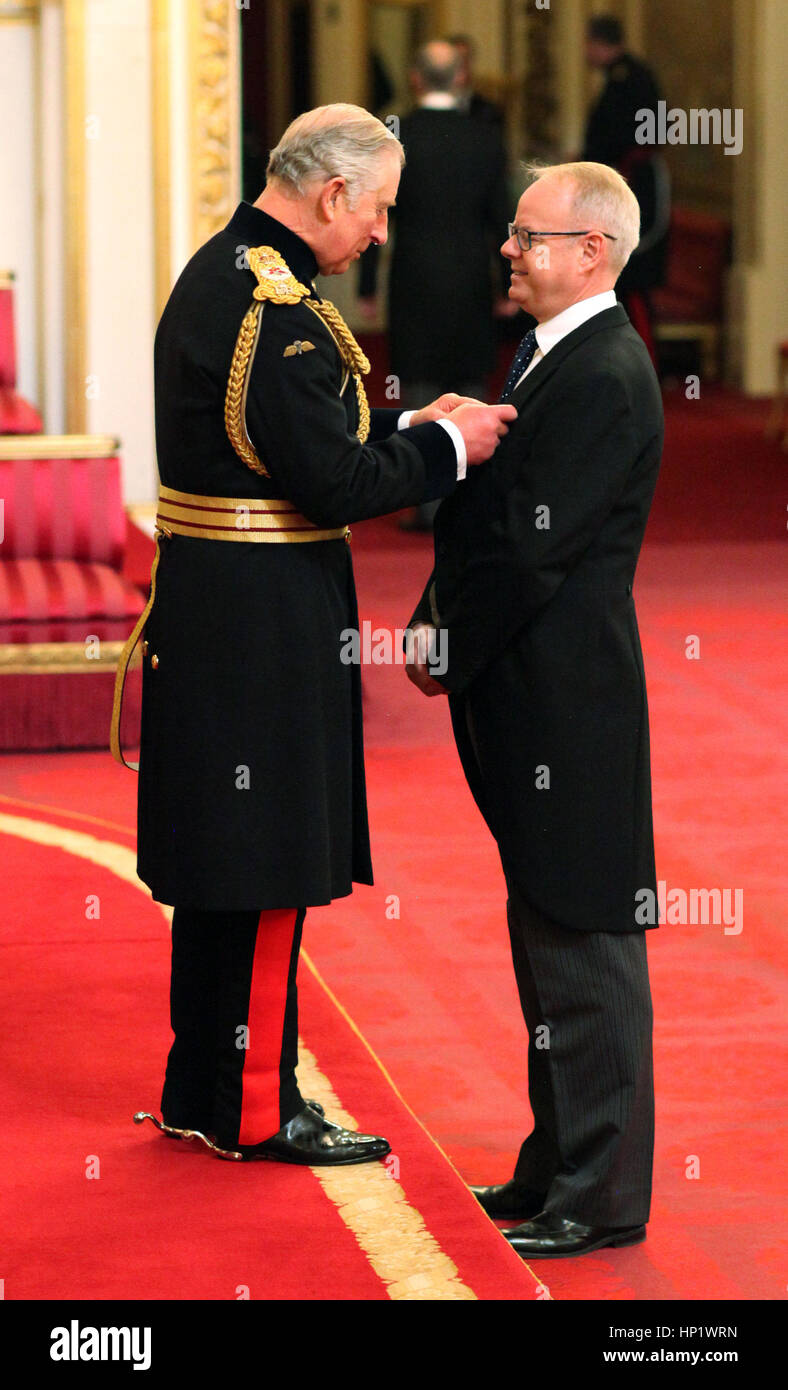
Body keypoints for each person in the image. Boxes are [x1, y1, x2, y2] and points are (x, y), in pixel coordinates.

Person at [111, 104, 515, 1167]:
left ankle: (201, 1082)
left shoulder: (233, 270)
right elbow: (332, 480)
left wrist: (409, 424)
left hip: (219, 606)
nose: (381, 233)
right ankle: (250, 1104)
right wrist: (447, 451)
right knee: (263, 864)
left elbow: (297, 442)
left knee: (218, 869)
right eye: (377, 210)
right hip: (263, 621)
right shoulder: (277, 310)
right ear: (333, 194)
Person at [406, 161, 663, 1257]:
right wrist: (430, 609)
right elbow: (483, 514)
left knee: (583, 935)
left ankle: (600, 1191)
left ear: (591, 251)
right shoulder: (545, 349)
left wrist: (439, 639)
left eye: (527, 235)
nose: (505, 249)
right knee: (544, 927)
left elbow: (528, 545)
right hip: (529, 692)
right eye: (508, 231)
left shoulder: (604, 370)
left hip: (571, 705)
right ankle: (553, 1160)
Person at [358, 40, 511, 529]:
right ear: (462, 76)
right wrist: (510, 283)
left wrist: (365, 285)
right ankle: (465, 499)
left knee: (419, 389)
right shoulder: (485, 137)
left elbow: (374, 212)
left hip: (414, 276)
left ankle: (423, 500)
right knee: (469, 386)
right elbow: (501, 218)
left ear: (415, 79)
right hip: (470, 277)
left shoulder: (394, 135)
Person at [582, 14, 670, 363]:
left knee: (632, 281)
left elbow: (632, 138)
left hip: (634, 192)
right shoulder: (620, 76)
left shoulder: (630, 79)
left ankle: (644, 362)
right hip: (621, 187)